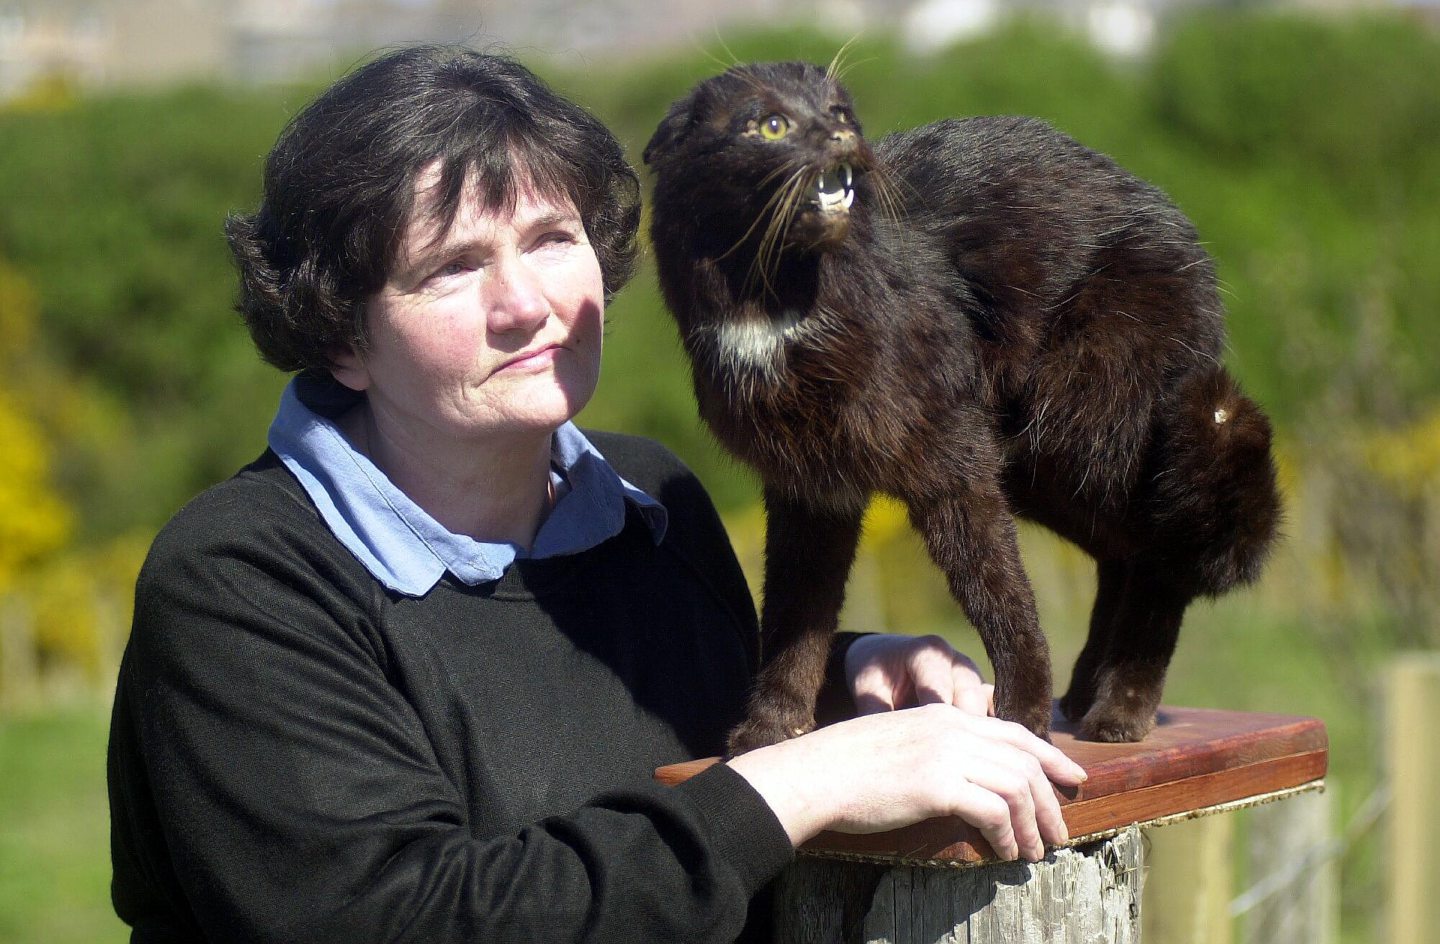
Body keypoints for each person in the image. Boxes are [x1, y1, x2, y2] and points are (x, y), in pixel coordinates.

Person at [106, 44, 1086, 944]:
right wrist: (810, 779)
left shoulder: (649, 501)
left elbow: (651, 728)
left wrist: (843, 677)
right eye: (452, 267)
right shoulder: (240, 585)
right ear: (339, 336)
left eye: (550, 237)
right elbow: (403, 916)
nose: (527, 302)